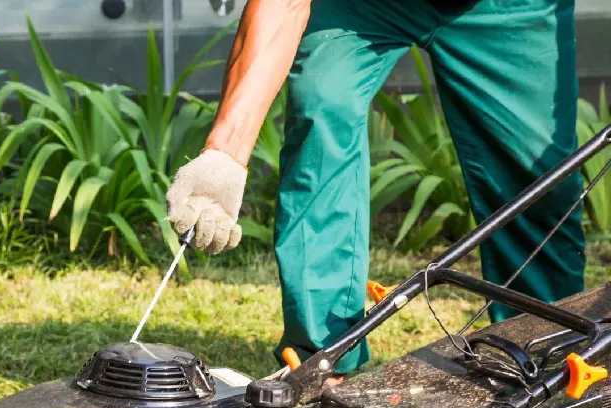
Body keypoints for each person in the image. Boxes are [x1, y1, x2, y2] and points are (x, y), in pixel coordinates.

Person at [166, 0, 586, 376]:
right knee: (321, 106)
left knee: (538, 176)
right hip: (361, 7)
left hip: (509, 7)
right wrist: (225, 153)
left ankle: (546, 353)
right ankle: (322, 357)